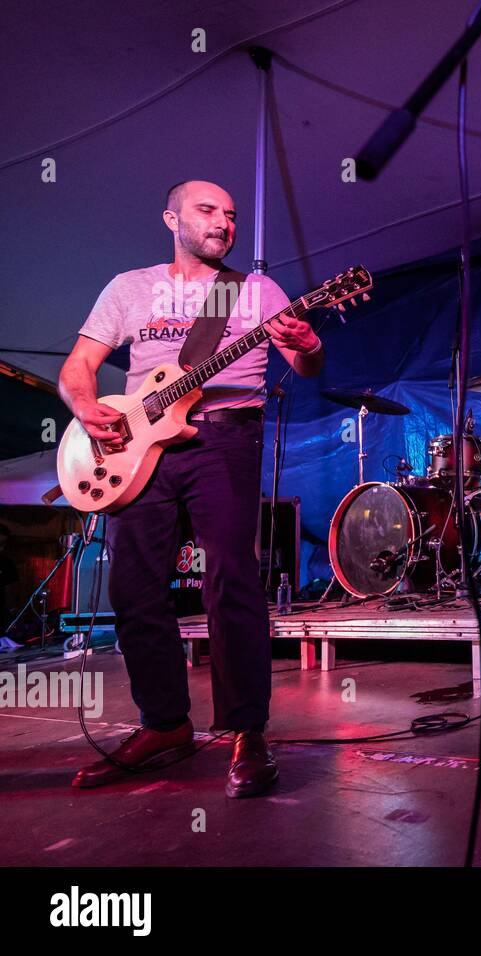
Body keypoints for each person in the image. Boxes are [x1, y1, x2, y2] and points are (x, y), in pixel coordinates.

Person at [57, 180, 324, 798]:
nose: (224, 222)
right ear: (170, 217)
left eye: (231, 215)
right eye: (208, 210)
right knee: (131, 584)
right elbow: (79, 367)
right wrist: (85, 406)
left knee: (230, 574)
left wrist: (309, 347)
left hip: (225, 436)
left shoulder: (255, 291)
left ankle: (246, 731)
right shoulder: (128, 287)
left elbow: (308, 365)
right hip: (140, 447)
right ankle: (164, 725)